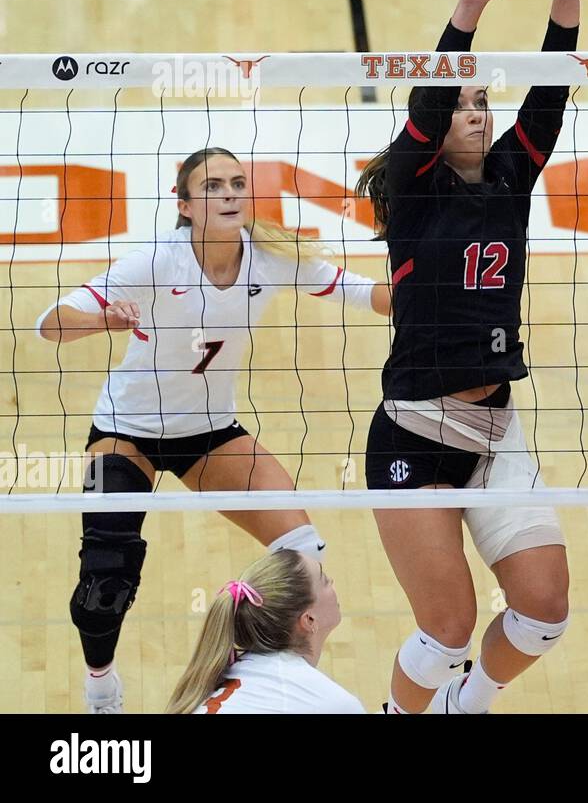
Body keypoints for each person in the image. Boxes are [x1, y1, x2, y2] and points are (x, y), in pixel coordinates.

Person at [37, 147, 390, 713]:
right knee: (106, 579)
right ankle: (101, 685)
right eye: (213, 186)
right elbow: (48, 324)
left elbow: (364, 292)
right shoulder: (154, 262)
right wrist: (103, 319)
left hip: (209, 432)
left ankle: (266, 674)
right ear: (185, 205)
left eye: (237, 183)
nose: (229, 194)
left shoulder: (272, 257)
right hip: (127, 430)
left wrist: (431, 293)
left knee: (305, 556)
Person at [356, 0, 588, 715]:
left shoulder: (510, 178)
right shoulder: (413, 186)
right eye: (464, 104)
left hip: (497, 432)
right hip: (416, 433)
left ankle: (470, 704)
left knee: (544, 613)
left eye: (482, 102)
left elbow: (550, 96)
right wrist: (466, 13)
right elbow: (429, 98)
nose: (478, 111)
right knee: (448, 630)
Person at [168, 550, 364, 713]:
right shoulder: (331, 703)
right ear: (309, 619)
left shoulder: (233, 674)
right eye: (324, 580)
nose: (332, 581)